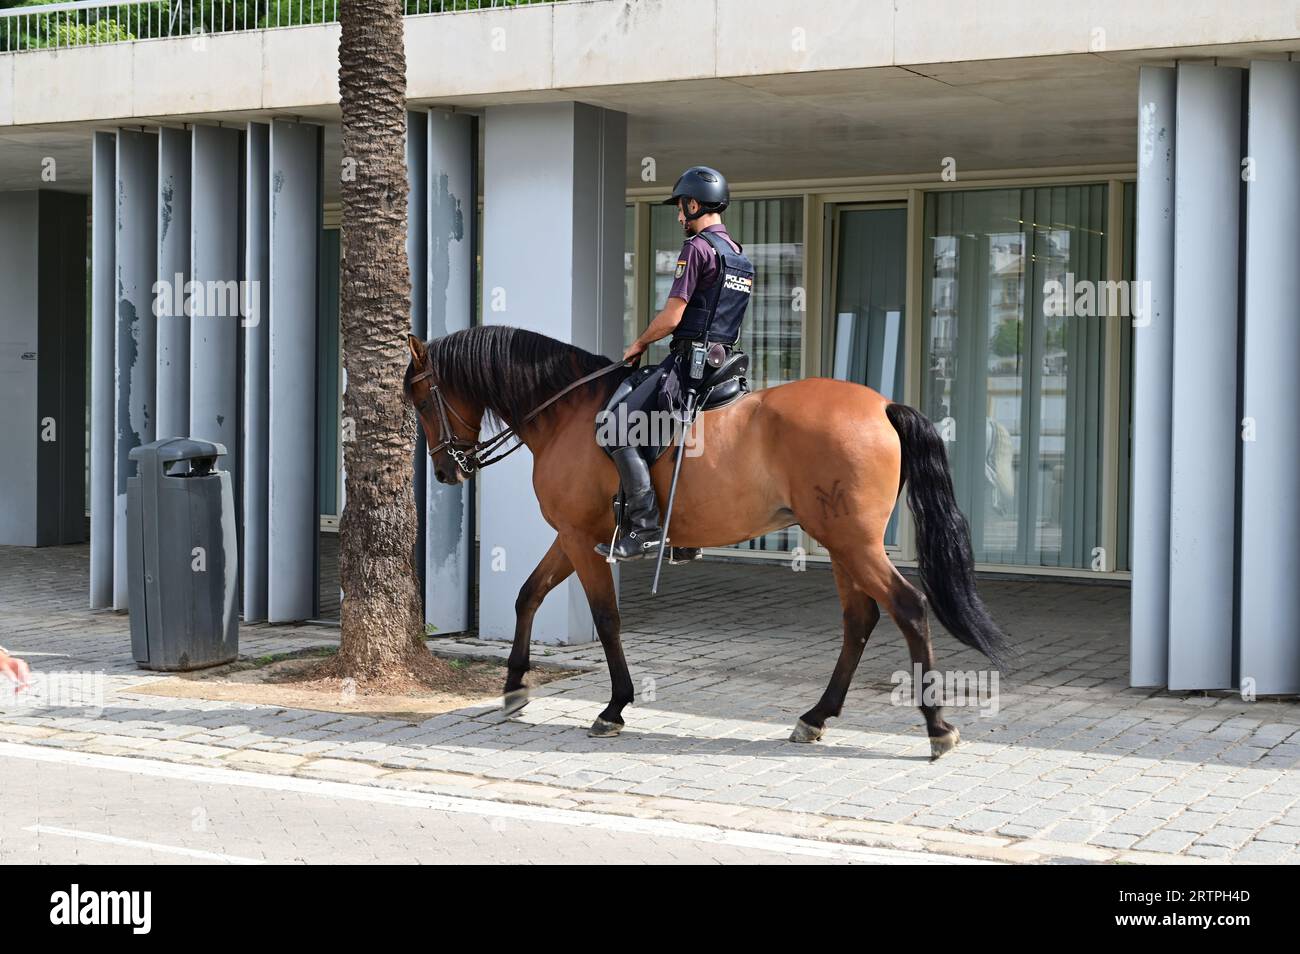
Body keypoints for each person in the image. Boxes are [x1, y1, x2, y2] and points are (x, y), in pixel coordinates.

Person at [595, 165, 755, 561]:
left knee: (617, 429)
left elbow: (672, 318)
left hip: (690, 367)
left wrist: (638, 343)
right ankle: (687, 535)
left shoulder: (697, 249)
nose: (680, 216)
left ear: (695, 203)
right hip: (725, 367)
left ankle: (646, 530)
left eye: (682, 208)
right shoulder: (740, 258)